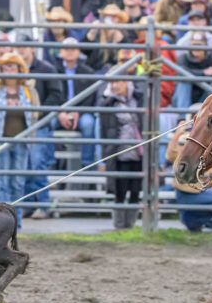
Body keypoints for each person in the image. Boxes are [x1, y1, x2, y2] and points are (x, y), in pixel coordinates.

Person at [0, 53, 39, 225]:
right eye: (5, 66)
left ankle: (15, 221)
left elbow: (36, 112)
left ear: (20, 69)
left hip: (21, 141)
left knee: (17, 182)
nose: (9, 70)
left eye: (13, 66)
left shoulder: (28, 89)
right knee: (0, 182)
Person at [16, 37, 65, 217]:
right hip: (21, 123)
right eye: (18, 47)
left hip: (38, 124)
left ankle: (43, 205)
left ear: (32, 49)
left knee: (37, 164)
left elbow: (56, 95)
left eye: (24, 47)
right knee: (26, 164)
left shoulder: (46, 69)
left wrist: (40, 113)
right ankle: (29, 204)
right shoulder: (17, 69)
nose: (21, 50)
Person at [100, 78, 144, 230]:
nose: (115, 85)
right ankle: (119, 226)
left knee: (135, 190)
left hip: (139, 152)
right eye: (112, 82)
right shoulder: (107, 103)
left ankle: (130, 225)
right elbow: (103, 132)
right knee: (120, 190)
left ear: (127, 82)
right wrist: (104, 158)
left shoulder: (140, 99)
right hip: (118, 152)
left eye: (118, 81)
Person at [54, 37, 98, 170]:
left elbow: (90, 98)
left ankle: (87, 165)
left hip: (81, 113)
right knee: (47, 123)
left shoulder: (88, 72)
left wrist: (78, 112)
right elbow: (52, 95)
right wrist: (60, 112)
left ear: (78, 52)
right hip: (58, 113)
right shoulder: (53, 71)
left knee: (88, 123)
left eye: (73, 49)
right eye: (66, 49)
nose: (69, 52)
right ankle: (51, 164)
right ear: (61, 52)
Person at [173, 32, 212, 109]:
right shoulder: (183, 57)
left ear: (205, 46)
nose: (196, 48)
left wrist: (193, 73)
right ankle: (182, 118)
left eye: (199, 45)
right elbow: (181, 72)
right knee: (184, 81)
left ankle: (205, 113)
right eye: (194, 45)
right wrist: (203, 72)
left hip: (204, 97)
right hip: (182, 100)